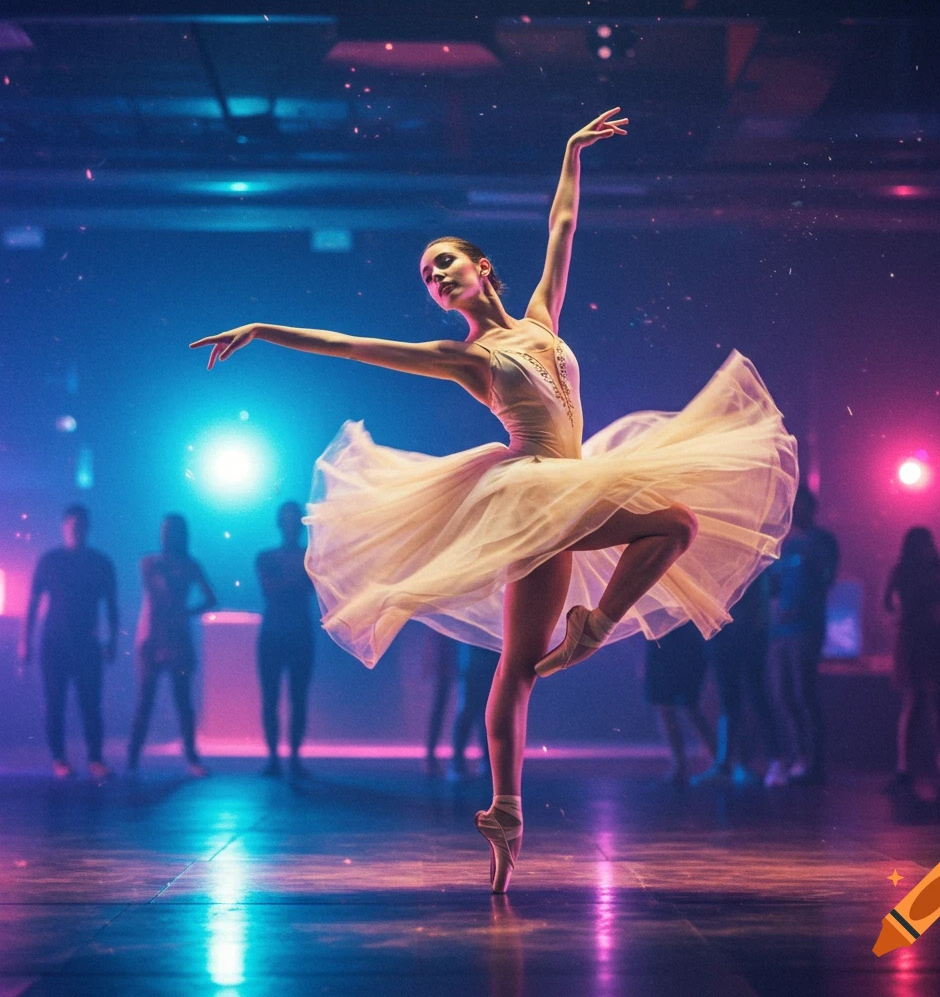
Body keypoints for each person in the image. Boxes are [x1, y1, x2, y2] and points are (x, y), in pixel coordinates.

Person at [192, 108, 799, 892]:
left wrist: (571, 151)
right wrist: (262, 328)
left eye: (445, 263)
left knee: (671, 528)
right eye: (427, 277)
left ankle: (591, 632)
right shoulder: (464, 357)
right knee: (520, 662)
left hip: (572, 479)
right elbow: (353, 347)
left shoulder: (542, 319)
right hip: (531, 491)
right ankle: (507, 812)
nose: (437, 278)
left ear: (482, 268)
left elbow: (563, 227)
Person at [17, 505, 119, 781]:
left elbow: (112, 606)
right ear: (64, 528)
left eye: (80, 526)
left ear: (87, 528)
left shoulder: (100, 563)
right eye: (72, 526)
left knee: (91, 704)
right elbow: (33, 603)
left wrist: (111, 640)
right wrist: (25, 640)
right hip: (55, 644)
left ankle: (95, 759)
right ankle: (59, 759)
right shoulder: (50, 561)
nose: (76, 531)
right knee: (55, 703)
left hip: (86, 643)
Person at [127, 514, 217, 777]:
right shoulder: (153, 563)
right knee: (149, 701)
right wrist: (184, 612)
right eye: (165, 530)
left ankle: (185, 757)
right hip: (155, 637)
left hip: (171, 637)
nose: (167, 535)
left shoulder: (172, 564)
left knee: (180, 701)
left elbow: (210, 598)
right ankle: (134, 759)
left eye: (171, 531)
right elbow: (160, 594)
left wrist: (185, 613)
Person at [768, 485, 839, 786]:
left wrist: (801, 604)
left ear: (811, 508)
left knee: (803, 692)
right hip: (779, 631)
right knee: (782, 694)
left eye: (801, 506)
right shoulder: (784, 545)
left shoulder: (823, 541)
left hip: (806, 629)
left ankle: (814, 761)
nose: (796, 512)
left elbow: (826, 579)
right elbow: (772, 584)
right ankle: (798, 757)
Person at [695, 570, 787, 788]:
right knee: (733, 701)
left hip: (748, 633)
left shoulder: (752, 562)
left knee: (755, 698)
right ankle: (728, 765)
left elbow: (765, 593)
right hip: (727, 635)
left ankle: (770, 761)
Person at [884, 527, 940, 787]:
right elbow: (886, 603)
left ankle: (938, 762)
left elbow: (887, 602)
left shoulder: (936, 570)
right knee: (916, 702)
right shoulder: (909, 571)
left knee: (937, 703)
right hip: (916, 639)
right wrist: (898, 617)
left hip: (932, 639)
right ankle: (906, 765)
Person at [256, 501, 317, 778]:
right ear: (281, 524)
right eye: (288, 519)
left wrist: (290, 583)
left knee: (297, 699)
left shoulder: (302, 557)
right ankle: (277, 758)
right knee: (273, 699)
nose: (291, 525)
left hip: (295, 634)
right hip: (277, 634)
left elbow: (280, 588)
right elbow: (273, 589)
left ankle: (290, 758)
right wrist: (299, 581)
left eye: (295, 520)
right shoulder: (302, 558)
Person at [643, 625, 716, 786]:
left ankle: (718, 763)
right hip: (670, 641)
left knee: (685, 706)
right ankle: (683, 766)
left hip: (679, 640)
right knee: (673, 706)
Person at [449, 643, 501, 782]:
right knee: (471, 711)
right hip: (474, 663)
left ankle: (484, 761)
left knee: (485, 712)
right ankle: (459, 762)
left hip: (480, 663)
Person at [423, 629, 459, 776]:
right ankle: (432, 758)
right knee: (438, 711)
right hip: (442, 666)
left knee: (439, 712)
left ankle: (434, 758)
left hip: (446, 665)